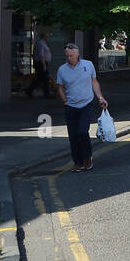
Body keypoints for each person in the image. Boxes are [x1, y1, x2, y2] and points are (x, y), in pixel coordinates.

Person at [56, 43, 108, 172]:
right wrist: (64, 101)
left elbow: (94, 82)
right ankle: (77, 162)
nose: (69, 58)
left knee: (82, 132)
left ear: (78, 54)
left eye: (71, 55)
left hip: (86, 104)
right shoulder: (62, 69)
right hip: (71, 106)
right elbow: (60, 87)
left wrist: (100, 97)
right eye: (67, 56)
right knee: (73, 136)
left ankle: (87, 158)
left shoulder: (88, 65)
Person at [25, 32, 52, 97]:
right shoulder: (41, 44)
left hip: (40, 63)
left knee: (40, 78)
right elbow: (41, 55)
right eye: (47, 37)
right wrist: (44, 65)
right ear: (44, 37)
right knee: (45, 78)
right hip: (41, 63)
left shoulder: (40, 43)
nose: (48, 38)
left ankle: (29, 90)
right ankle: (47, 94)